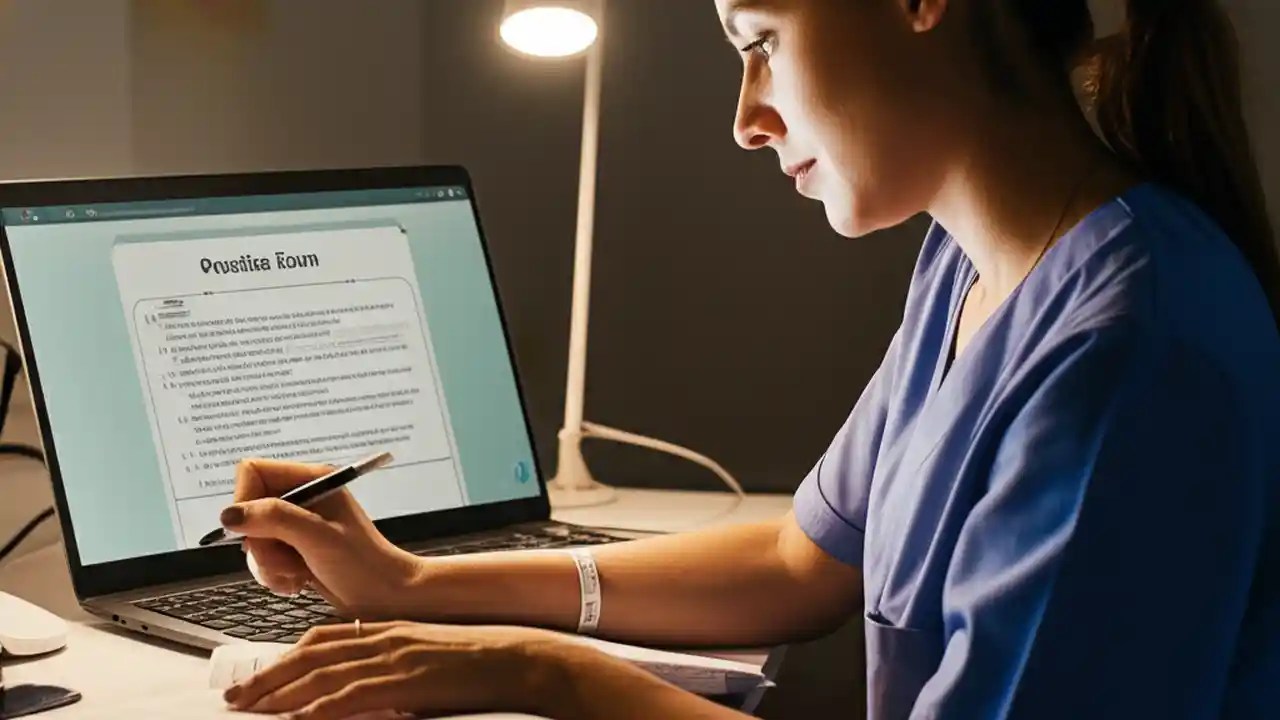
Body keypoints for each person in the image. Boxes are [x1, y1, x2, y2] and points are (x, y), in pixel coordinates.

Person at [214, 0, 1280, 718]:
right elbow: (795, 564)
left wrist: (540, 672)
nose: (745, 120)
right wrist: (409, 582)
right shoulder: (970, 265)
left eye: (759, 39)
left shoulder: (1126, 349)